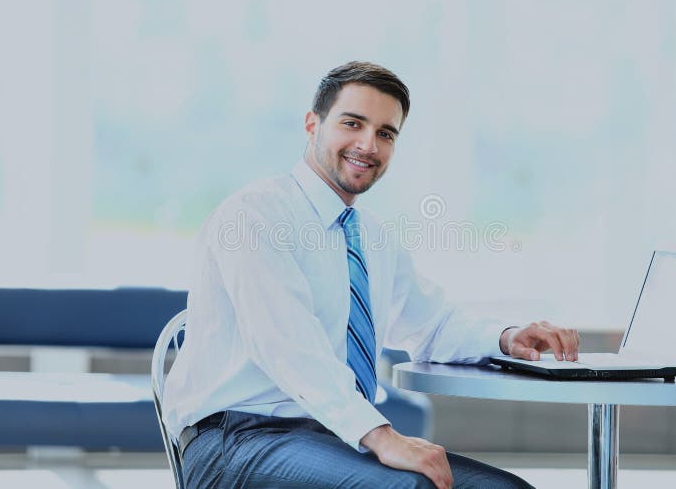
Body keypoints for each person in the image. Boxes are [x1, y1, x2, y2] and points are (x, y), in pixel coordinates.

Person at [162, 61, 580, 488]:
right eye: (353, 123)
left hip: (330, 438)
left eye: (385, 133)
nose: (368, 144)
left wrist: (508, 337)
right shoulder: (254, 216)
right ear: (313, 125)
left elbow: (432, 324)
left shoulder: (371, 238)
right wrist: (380, 435)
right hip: (238, 440)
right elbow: (287, 346)